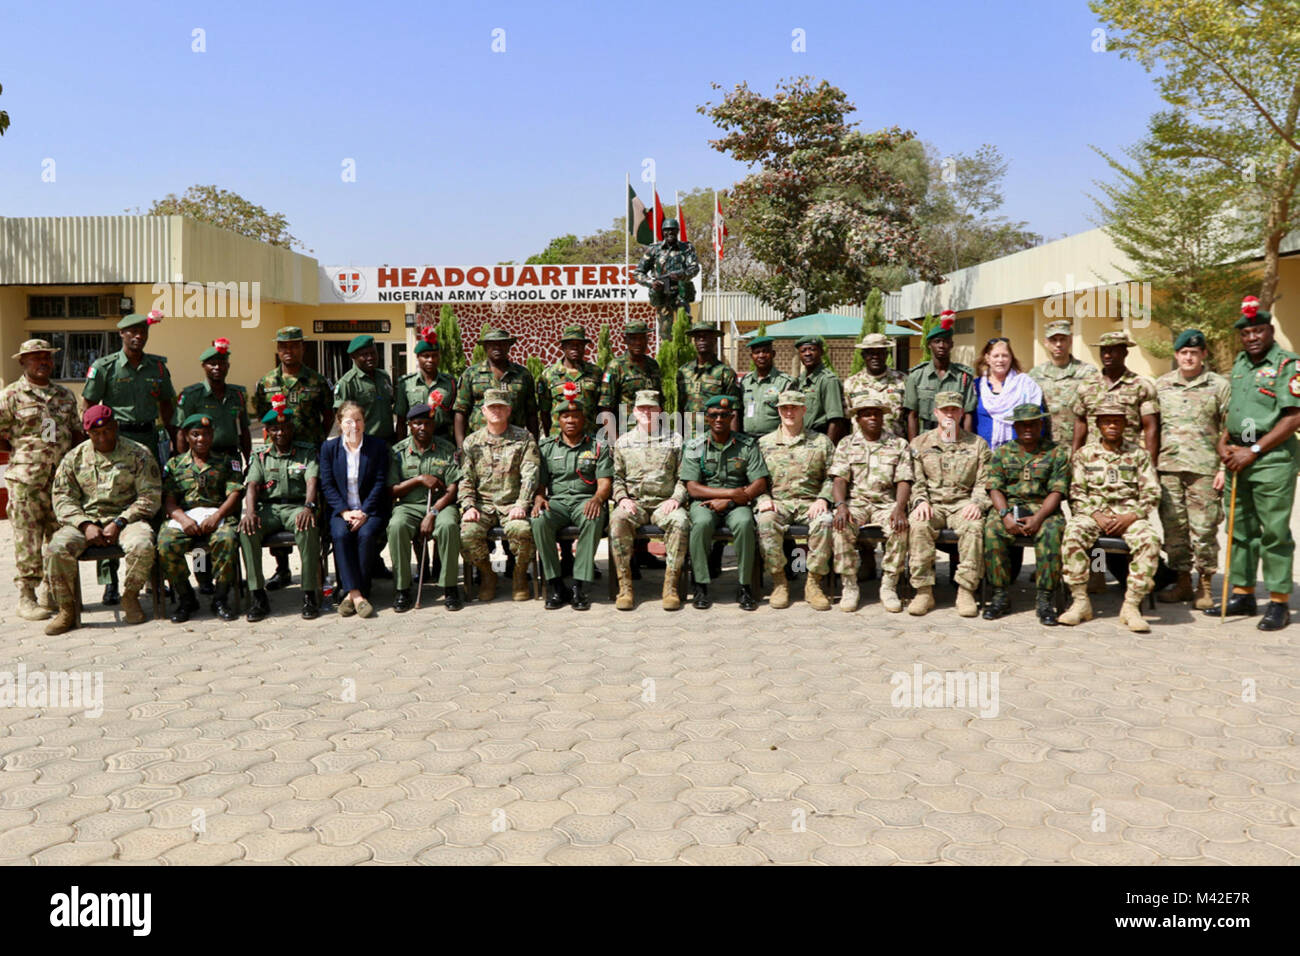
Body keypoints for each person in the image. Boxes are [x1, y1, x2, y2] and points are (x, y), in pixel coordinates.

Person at [1207, 296, 1300, 630]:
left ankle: (1278, 601)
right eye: (1245, 333)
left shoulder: (1288, 365)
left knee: (1274, 532)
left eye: (1257, 331)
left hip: (1271, 459)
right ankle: (1243, 593)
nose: (1251, 338)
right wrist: (1225, 441)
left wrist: (1255, 450)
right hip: (1237, 458)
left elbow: (1293, 418)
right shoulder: (1241, 363)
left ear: (1270, 331)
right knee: (1240, 529)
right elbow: (1237, 410)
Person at [81, 311, 176, 605]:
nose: (138, 337)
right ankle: (109, 582)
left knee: (151, 504)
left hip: (148, 438)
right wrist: (94, 441)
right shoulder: (105, 367)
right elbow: (88, 404)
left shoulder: (157, 368)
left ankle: (152, 575)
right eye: (131, 332)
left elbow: (167, 404)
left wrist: (173, 441)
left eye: (142, 332)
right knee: (109, 503)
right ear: (121, 335)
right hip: (115, 441)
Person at [44, 405, 161, 635]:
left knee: (142, 544)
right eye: (95, 434)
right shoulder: (74, 458)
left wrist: (119, 523)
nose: (102, 437)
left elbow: (151, 496)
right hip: (86, 521)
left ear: (115, 427)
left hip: (127, 520)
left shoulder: (138, 453)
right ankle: (66, 609)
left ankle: (130, 597)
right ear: (87, 433)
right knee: (56, 548)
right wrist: (84, 524)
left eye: (106, 431)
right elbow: (62, 499)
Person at [1059, 405, 1162, 632]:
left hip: (1128, 514)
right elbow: (1076, 492)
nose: (1112, 426)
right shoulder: (1084, 454)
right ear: (1098, 426)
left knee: (1150, 540)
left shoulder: (1138, 454)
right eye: (1106, 422)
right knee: (1072, 534)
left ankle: (1131, 606)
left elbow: (1152, 493)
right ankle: (1080, 602)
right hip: (1092, 513)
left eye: (1117, 421)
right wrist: (1095, 515)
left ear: (1125, 424)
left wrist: (1130, 516)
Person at [0, 339, 81, 621]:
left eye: (46, 357)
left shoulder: (65, 395)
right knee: (27, 539)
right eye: (35, 358)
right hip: (26, 481)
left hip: (60, 481)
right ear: (23, 362)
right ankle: (27, 595)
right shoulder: (10, 395)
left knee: (58, 538)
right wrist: (23, 455)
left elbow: (76, 434)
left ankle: (52, 591)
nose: (42, 362)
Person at [252, 325, 334, 592]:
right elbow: (263, 418)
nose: (289, 351)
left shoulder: (317, 381)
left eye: (294, 345)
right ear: (278, 349)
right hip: (277, 459)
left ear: (303, 347)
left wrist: (319, 443)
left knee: (311, 509)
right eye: (284, 346)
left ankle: (316, 568)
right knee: (275, 502)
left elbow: (328, 415)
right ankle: (282, 568)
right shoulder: (265, 383)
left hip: (308, 455)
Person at [1154, 329, 1229, 610]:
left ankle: (1205, 586)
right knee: (1174, 530)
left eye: (1194, 353)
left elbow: (1230, 429)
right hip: (1169, 468)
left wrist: (1225, 467)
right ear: (1176, 355)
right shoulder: (1161, 386)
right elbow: (1151, 428)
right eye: (1184, 353)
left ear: (1203, 355)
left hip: (1205, 470)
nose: (1188, 357)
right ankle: (1182, 582)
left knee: (1205, 529)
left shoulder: (1219, 386)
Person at [679, 394, 768, 611]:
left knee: (745, 524)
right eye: (714, 415)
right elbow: (692, 487)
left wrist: (730, 501)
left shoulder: (746, 445)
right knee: (700, 524)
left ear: (732, 417)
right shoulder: (695, 445)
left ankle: (745, 585)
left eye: (724, 415)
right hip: (706, 503)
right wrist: (729, 495)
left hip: (739, 504)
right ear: (707, 418)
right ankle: (701, 585)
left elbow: (760, 482)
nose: (719, 419)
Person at [983, 405, 1070, 624]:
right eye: (1023, 424)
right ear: (1015, 426)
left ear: (1041, 425)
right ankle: (1000, 595)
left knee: (1050, 532)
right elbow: (995, 487)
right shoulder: (1003, 452)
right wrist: (1004, 515)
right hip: (1010, 506)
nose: (1028, 428)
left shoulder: (1056, 452)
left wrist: (1039, 518)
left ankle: (1044, 599)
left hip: (1044, 508)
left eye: (1033, 423)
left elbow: (1057, 491)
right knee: (992, 530)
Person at [907, 390, 990, 617]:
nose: (950, 415)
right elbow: (915, 480)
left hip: (963, 504)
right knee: (918, 523)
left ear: (962, 412)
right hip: (932, 504)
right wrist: (921, 501)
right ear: (936, 413)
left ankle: (965, 590)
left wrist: (977, 503)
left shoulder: (977, 444)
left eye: (955, 410)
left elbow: (985, 482)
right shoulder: (920, 443)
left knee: (974, 526)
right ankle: (923, 591)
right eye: (945, 410)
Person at [238, 399, 322, 622]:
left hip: (297, 507)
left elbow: (312, 480)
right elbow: (252, 485)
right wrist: (250, 512)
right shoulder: (260, 455)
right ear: (267, 432)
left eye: (284, 427)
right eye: (275, 428)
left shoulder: (306, 452)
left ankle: (308, 594)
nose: (280, 432)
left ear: (292, 428)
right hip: (270, 509)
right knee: (247, 529)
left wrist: (308, 507)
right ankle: (258, 596)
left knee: (308, 525)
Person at [828, 395, 913, 613]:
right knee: (841, 525)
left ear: (883, 417)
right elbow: (839, 479)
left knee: (899, 527)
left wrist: (900, 509)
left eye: (876, 413)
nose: (872, 417)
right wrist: (841, 506)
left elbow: (903, 480)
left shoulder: (898, 444)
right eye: (866, 414)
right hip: (856, 503)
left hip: (886, 504)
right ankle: (849, 585)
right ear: (858, 419)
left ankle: (889, 586)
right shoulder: (847, 444)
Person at [532, 388, 613, 610]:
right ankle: (555, 584)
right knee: (539, 519)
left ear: (583, 419)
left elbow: (605, 482)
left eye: (575, 416)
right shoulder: (547, 447)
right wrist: (539, 497)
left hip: (585, 500)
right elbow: (540, 482)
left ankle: (579, 585)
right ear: (558, 420)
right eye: (565, 416)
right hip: (556, 502)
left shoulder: (598, 446)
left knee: (593, 517)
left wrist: (597, 499)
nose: (570, 420)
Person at [158, 414, 244, 623]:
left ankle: (220, 598)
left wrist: (217, 516)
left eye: (206, 434)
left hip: (217, 517)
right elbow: (168, 500)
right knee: (166, 543)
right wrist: (182, 519)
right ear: (187, 437)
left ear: (212, 435)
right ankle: (186, 598)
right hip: (186, 519)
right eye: (195, 434)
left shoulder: (226, 462)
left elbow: (234, 494)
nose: (201, 439)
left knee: (227, 539)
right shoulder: (175, 464)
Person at [609, 390, 691, 610]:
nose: (647, 412)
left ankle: (670, 587)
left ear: (660, 411)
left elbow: (685, 477)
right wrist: (622, 498)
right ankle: (625, 587)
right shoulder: (623, 442)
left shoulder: (674, 440)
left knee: (681, 522)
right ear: (634, 412)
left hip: (665, 503)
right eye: (642, 408)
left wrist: (676, 498)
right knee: (617, 520)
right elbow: (616, 478)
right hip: (635, 503)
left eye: (651, 408)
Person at [755, 391, 835, 610]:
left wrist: (823, 498)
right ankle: (779, 582)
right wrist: (763, 498)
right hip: (779, 502)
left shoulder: (821, 442)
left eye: (794, 408)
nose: (789, 412)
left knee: (826, 521)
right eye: (784, 408)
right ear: (779, 411)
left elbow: (833, 477)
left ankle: (813, 583)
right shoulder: (764, 443)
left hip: (811, 502)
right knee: (766, 520)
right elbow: (755, 479)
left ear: (803, 410)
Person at [458, 389, 540, 602]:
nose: (496, 411)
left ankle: (519, 575)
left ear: (509, 410)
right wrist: (468, 507)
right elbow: (465, 479)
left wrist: (522, 504)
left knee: (522, 530)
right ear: (483, 411)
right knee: (467, 534)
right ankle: (487, 575)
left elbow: (530, 475)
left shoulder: (524, 439)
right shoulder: (472, 442)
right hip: (482, 505)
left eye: (501, 407)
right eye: (492, 407)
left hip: (512, 504)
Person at [388, 402, 462, 612]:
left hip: (440, 505)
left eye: (427, 423)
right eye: (417, 423)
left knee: (448, 526)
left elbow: (452, 488)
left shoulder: (446, 449)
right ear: (410, 425)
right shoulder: (398, 452)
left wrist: (433, 513)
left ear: (433, 424)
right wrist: (419, 479)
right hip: (409, 506)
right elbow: (392, 490)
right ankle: (402, 589)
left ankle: (449, 587)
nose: (422, 428)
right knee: (396, 526)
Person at [320, 401, 391, 618]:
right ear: (340, 423)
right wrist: (344, 512)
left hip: (371, 510)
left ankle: (351, 595)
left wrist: (364, 511)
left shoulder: (377, 447)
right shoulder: (329, 448)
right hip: (341, 511)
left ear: (364, 423)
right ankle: (358, 594)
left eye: (358, 420)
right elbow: (327, 485)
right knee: (340, 534)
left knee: (366, 533)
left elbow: (380, 482)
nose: (355, 425)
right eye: (349, 421)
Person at [1071, 330, 1158, 458]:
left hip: (1128, 459)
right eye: (1103, 351)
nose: (1107, 355)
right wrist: (1075, 457)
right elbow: (1080, 422)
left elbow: (1150, 427)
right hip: (1093, 461)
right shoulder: (1087, 385)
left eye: (1113, 350)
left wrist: (1151, 463)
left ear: (1125, 353)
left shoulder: (1141, 386)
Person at [453, 327, 539, 447]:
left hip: (515, 443)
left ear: (509, 346)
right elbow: (461, 411)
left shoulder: (523, 375)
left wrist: (535, 444)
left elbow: (531, 413)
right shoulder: (471, 374)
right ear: (484, 347)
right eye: (492, 344)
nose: (497, 347)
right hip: (480, 444)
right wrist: (461, 446)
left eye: (502, 344)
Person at [175, 338, 251, 470]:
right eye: (212, 363)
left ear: (228, 366)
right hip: (203, 460)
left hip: (232, 458)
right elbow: (182, 433)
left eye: (222, 363)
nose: (217, 367)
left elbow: (244, 431)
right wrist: (184, 465)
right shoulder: (191, 396)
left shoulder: (237, 395)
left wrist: (248, 462)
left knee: (236, 489)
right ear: (203, 366)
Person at [904, 311, 975, 439]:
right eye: (937, 341)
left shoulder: (963, 377)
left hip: (953, 434)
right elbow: (912, 415)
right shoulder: (917, 376)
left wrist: (966, 444)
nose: (941, 345)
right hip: (925, 435)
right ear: (929, 345)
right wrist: (913, 446)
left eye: (946, 341)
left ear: (952, 345)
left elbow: (968, 414)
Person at [1028, 319, 1099, 445]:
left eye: (1062, 339)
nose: (1058, 344)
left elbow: (1094, 411)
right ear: (1045, 342)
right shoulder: (1035, 374)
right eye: (1053, 340)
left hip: (1077, 444)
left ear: (1070, 341)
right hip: (1045, 447)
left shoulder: (1087, 372)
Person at [634, 218, 700, 340]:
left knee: (685, 325)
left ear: (678, 231)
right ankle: (667, 355)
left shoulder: (686, 248)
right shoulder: (654, 249)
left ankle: (685, 354)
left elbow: (694, 267)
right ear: (662, 232)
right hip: (662, 293)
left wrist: (682, 275)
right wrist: (651, 283)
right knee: (665, 331)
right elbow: (638, 272)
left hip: (681, 292)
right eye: (667, 230)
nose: (670, 233)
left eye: (673, 230)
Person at [973, 337, 1044, 451]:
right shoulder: (976, 387)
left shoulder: (1025, 385)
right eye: (996, 356)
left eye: (1005, 355)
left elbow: (1039, 420)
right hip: (983, 453)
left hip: (1019, 454)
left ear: (1011, 358)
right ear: (987, 358)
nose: (1000, 360)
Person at [394, 326, 457, 444]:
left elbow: (457, 418)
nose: (430, 360)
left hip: (444, 441)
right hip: (415, 441)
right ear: (418, 357)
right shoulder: (406, 384)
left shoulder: (450, 383)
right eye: (426, 356)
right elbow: (401, 420)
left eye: (434, 356)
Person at [597, 320, 663, 433]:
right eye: (633, 338)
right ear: (625, 340)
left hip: (652, 433)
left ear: (647, 340)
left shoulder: (653, 365)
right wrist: (615, 440)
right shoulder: (615, 367)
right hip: (626, 434)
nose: (638, 343)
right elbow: (605, 409)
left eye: (642, 338)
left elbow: (659, 402)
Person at [538, 325, 603, 438]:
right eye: (570, 345)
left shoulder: (596, 373)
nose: (575, 348)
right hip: (559, 438)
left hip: (589, 437)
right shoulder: (548, 375)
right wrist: (550, 438)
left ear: (584, 347)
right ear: (563, 347)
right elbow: (544, 411)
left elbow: (602, 408)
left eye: (579, 345)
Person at [842, 333, 908, 440]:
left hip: (895, 447)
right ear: (863, 356)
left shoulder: (902, 381)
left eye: (880, 353)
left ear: (886, 355)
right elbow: (845, 420)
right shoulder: (851, 384)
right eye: (870, 353)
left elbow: (910, 417)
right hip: (860, 449)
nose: (875, 357)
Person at [333, 334, 397, 443]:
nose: (370, 357)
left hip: (388, 443)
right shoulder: (347, 383)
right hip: (364, 444)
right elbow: (342, 420)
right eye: (364, 355)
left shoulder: (384, 377)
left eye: (373, 353)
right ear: (353, 356)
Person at [676, 323, 742, 426]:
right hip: (689, 434)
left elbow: (734, 409)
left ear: (714, 341)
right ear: (694, 342)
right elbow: (680, 407)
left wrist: (734, 439)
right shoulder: (684, 371)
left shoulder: (725, 372)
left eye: (706, 337)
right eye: (698, 338)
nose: (702, 340)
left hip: (714, 434)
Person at [793, 335, 848, 443]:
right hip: (802, 438)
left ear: (821, 352)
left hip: (819, 438)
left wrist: (827, 447)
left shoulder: (828, 380)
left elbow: (836, 420)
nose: (807, 353)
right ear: (799, 355)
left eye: (812, 349)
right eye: (803, 351)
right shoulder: (800, 380)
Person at [739, 336, 793, 438]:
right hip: (747, 439)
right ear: (751, 356)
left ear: (773, 354)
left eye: (765, 351)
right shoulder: (745, 381)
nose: (761, 355)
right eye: (757, 352)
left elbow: (791, 415)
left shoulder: (785, 382)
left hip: (774, 439)